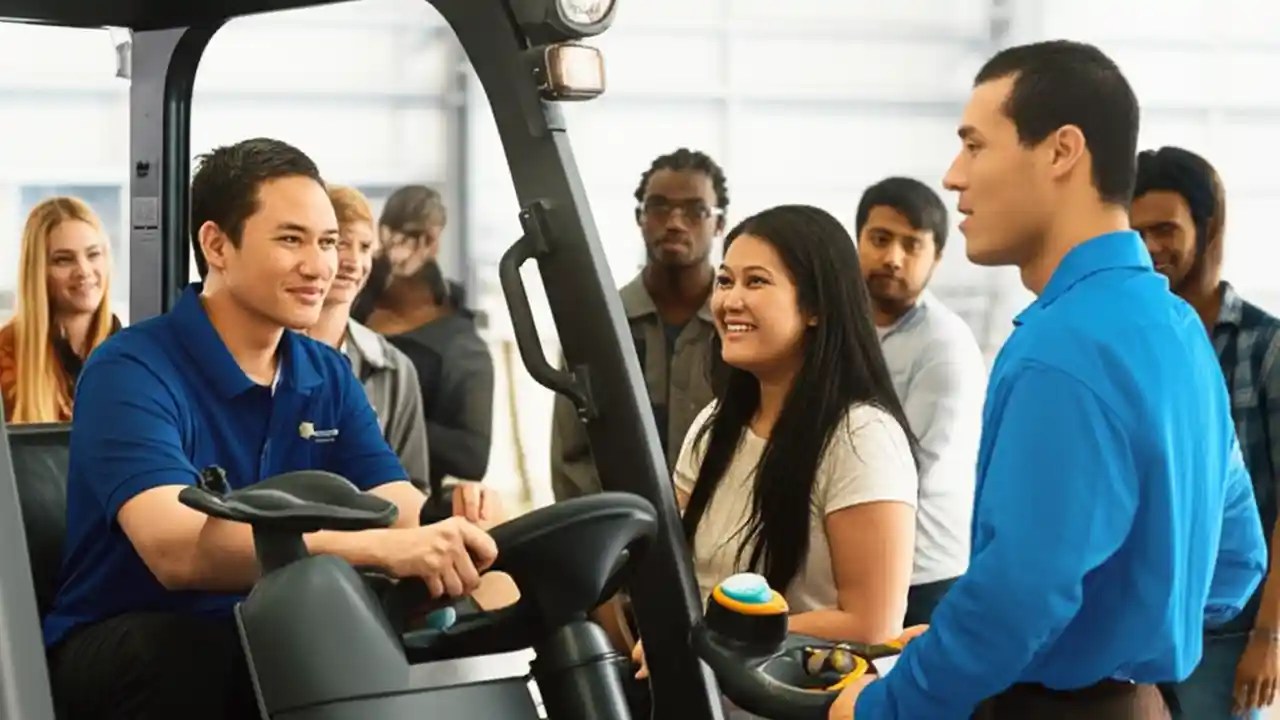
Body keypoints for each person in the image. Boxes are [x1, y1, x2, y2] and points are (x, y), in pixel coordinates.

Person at [830, 40, 1267, 720]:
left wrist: (886, 706)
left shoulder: (1064, 348)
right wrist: (1108, 639)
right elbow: (1234, 560)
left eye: (975, 145)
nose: (953, 175)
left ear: (1062, 151)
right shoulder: (1177, 329)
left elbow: (1018, 596)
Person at [42, 138, 506, 720]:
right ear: (217, 245)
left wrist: (460, 537)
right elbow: (178, 550)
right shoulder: (131, 369)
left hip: (277, 630)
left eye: (328, 242)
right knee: (202, 652)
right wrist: (381, 550)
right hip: (136, 647)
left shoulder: (328, 373)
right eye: (291, 240)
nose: (319, 266)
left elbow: (397, 508)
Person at [634, 204, 920, 685]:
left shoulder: (862, 437)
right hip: (700, 697)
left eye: (756, 282)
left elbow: (872, 622)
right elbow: (672, 566)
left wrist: (709, 638)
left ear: (815, 308)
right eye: (725, 282)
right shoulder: (715, 425)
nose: (730, 301)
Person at [1132, 146, 1280, 720]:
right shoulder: (1137, 342)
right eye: (1136, 231)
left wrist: (1268, 641)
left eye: (1166, 229)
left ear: (1209, 228)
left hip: (1228, 637)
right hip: (1140, 633)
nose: (1150, 248)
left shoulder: (1263, 347)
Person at [551, 148, 725, 502]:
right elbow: (571, 459)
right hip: (622, 540)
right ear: (639, 217)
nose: (675, 222)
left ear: (719, 224)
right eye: (659, 206)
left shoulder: (738, 325)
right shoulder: (597, 325)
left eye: (695, 210)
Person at [854, 177, 987, 625]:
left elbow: (909, 465)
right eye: (880, 239)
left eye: (912, 245)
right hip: (852, 561)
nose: (893, 258)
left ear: (937, 258)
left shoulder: (945, 345)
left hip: (923, 571)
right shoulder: (836, 328)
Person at [354, 187, 494, 490]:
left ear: (432, 242)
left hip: (401, 498)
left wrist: (380, 418)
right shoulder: (352, 308)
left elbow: (472, 456)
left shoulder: (460, 346)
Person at [312, 183, 432, 493]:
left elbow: (413, 487)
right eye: (339, 243)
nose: (354, 261)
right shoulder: (264, 352)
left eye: (365, 247)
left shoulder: (394, 368)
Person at [0, 196, 121, 423]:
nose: (84, 270)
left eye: (93, 254)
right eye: (64, 260)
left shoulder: (136, 354)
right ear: (38, 271)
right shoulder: (6, 354)